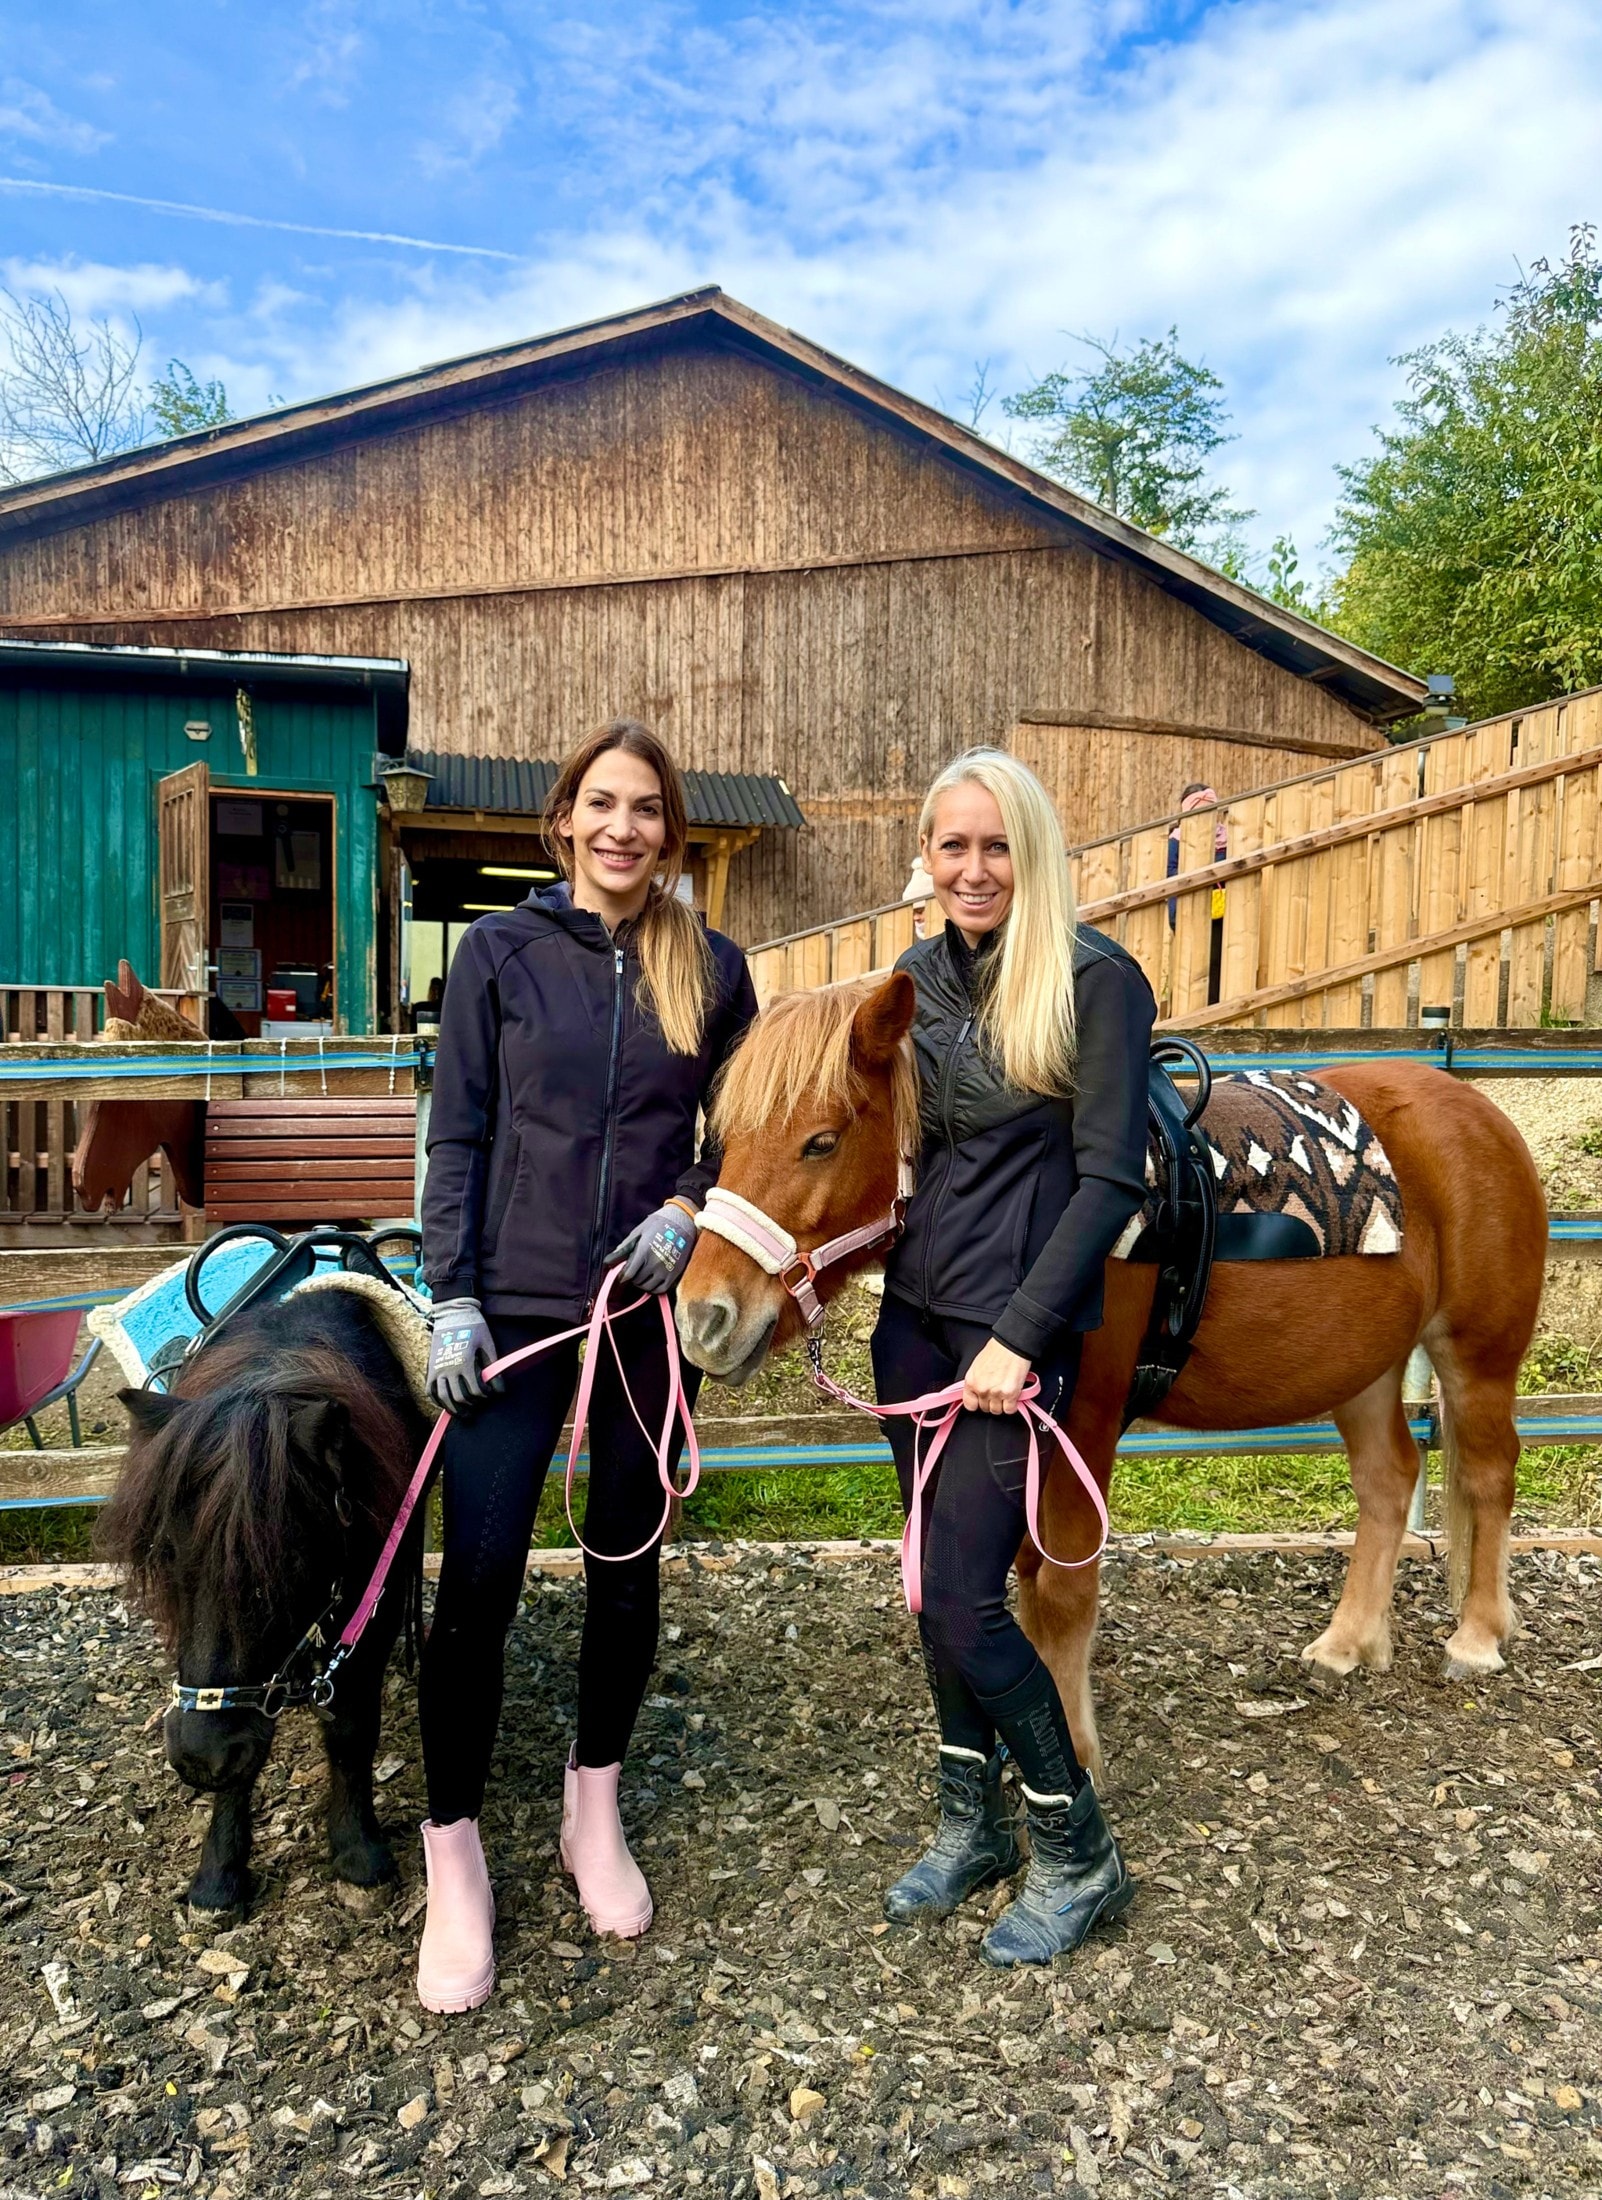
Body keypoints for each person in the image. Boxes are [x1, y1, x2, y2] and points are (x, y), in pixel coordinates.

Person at [415, 718, 757, 2012]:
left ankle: (589, 1808)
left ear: (670, 831)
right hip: (510, 1310)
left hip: (640, 1320)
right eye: (599, 805)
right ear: (561, 818)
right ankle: (455, 1855)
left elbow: (737, 1131)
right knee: (480, 1582)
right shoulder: (498, 954)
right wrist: (452, 1297)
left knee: (624, 1568)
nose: (622, 829)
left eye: (646, 810)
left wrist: (689, 1205)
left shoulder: (714, 971)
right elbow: (457, 1135)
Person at [871, 747, 1154, 1967]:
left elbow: (1110, 1181)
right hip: (913, 1324)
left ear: (1030, 852)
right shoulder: (913, 979)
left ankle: (1081, 1855)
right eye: (953, 846)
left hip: (1006, 1339)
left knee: (971, 1600)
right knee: (932, 1590)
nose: (974, 869)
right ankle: (968, 1823)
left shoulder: (1097, 982)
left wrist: (1017, 1339)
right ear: (926, 857)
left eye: (996, 846)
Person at [1166, 782, 1228, 1002]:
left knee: (1216, 961)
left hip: (1218, 912)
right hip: (1188, 910)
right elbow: (1171, 872)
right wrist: (1175, 915)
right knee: (1188, 963)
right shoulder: (1177, 840)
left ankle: (1214, 1004)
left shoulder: (1225, 838)